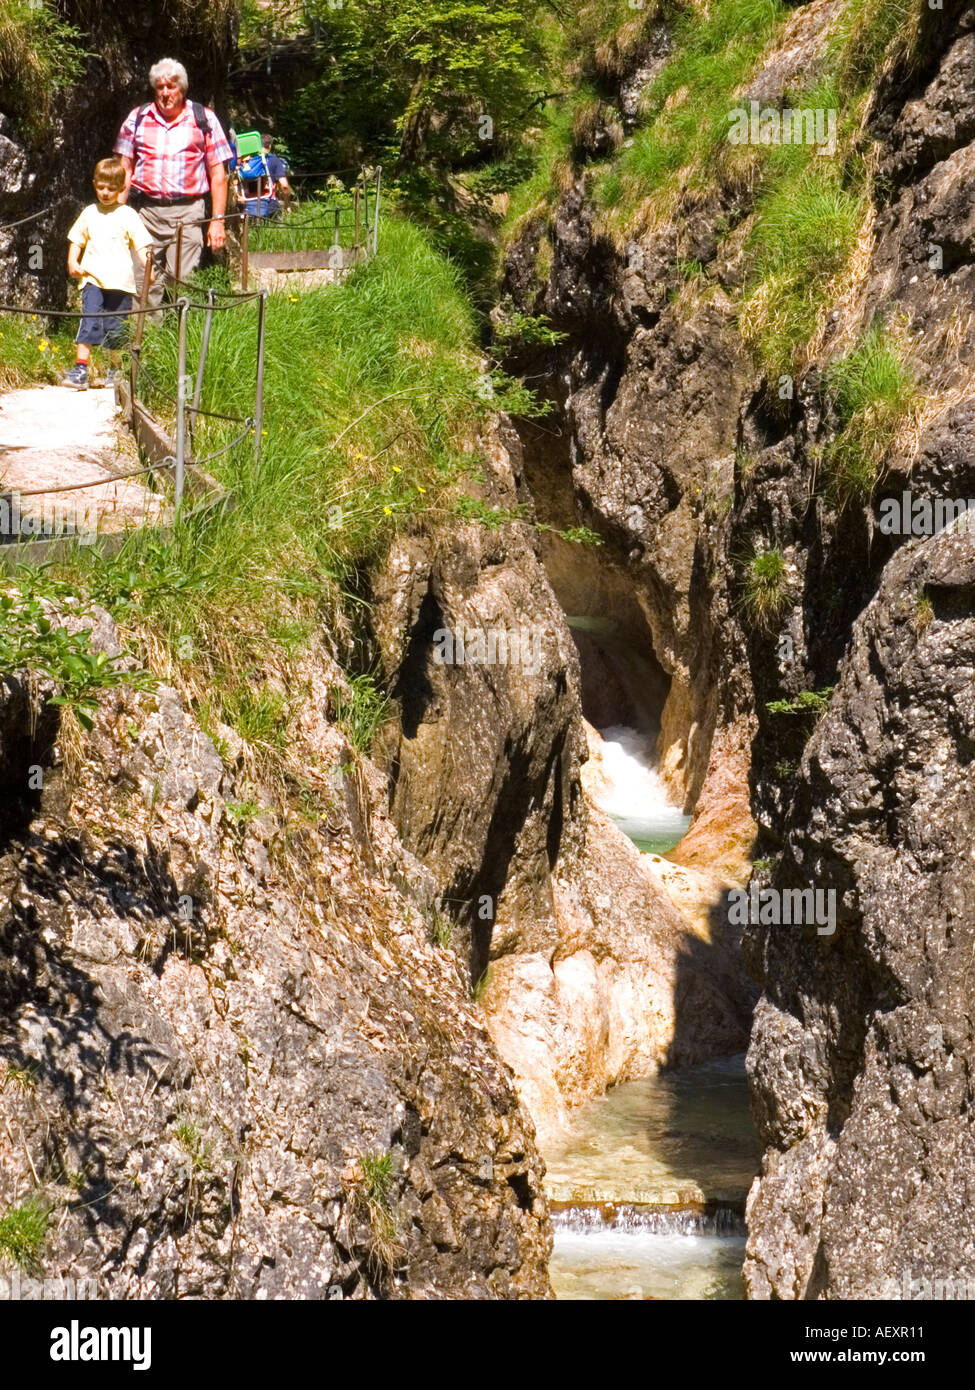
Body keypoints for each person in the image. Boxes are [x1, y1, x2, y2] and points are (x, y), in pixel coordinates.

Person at [114, 58, 233, 308]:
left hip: (189, 212)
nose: (166, 93)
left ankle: (178, 341)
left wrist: (218, 221)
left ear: (183, 89)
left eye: (172, 87)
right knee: (142, 282)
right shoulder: (137, 118)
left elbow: (218, 174)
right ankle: (144, 343)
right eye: (160, 87)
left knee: (180, 280)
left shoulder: (204, 119)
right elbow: (124, 169)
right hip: (146, 212)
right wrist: (116, 216)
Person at [61, 157, 152, 390]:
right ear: (94, 184)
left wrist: (148, 267)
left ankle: (115, 370)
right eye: (101, 187)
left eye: (111, 189)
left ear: (122, 188)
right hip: (93, 278)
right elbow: (77, 239)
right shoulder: (90, 213)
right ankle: (81, 369)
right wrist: (73, 261)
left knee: (116, 328)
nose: (105, 193)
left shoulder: (128, 215)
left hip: (121, 282)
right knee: (89, 320)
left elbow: (142, 245)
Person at [234, 133, 291, 218]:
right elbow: (285, 186)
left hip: (245, 205)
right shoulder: (274, 160)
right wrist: (287, 206)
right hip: (268, 203)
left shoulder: (244, 161)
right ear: (270, 146)